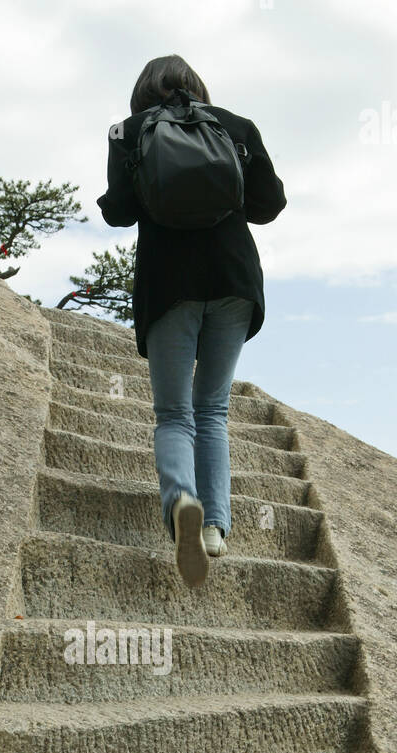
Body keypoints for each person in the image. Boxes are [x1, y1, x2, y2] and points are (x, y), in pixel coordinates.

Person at [97, 55, 287, 588]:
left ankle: (182, 501)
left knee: (175, 412)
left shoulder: (126, 132)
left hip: (169, 283)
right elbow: (270, 204)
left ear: (143, 91)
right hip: (234, 280)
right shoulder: (236, 126)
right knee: (213, 408)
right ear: (197, 86)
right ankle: (215, 530)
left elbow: (119, 211)